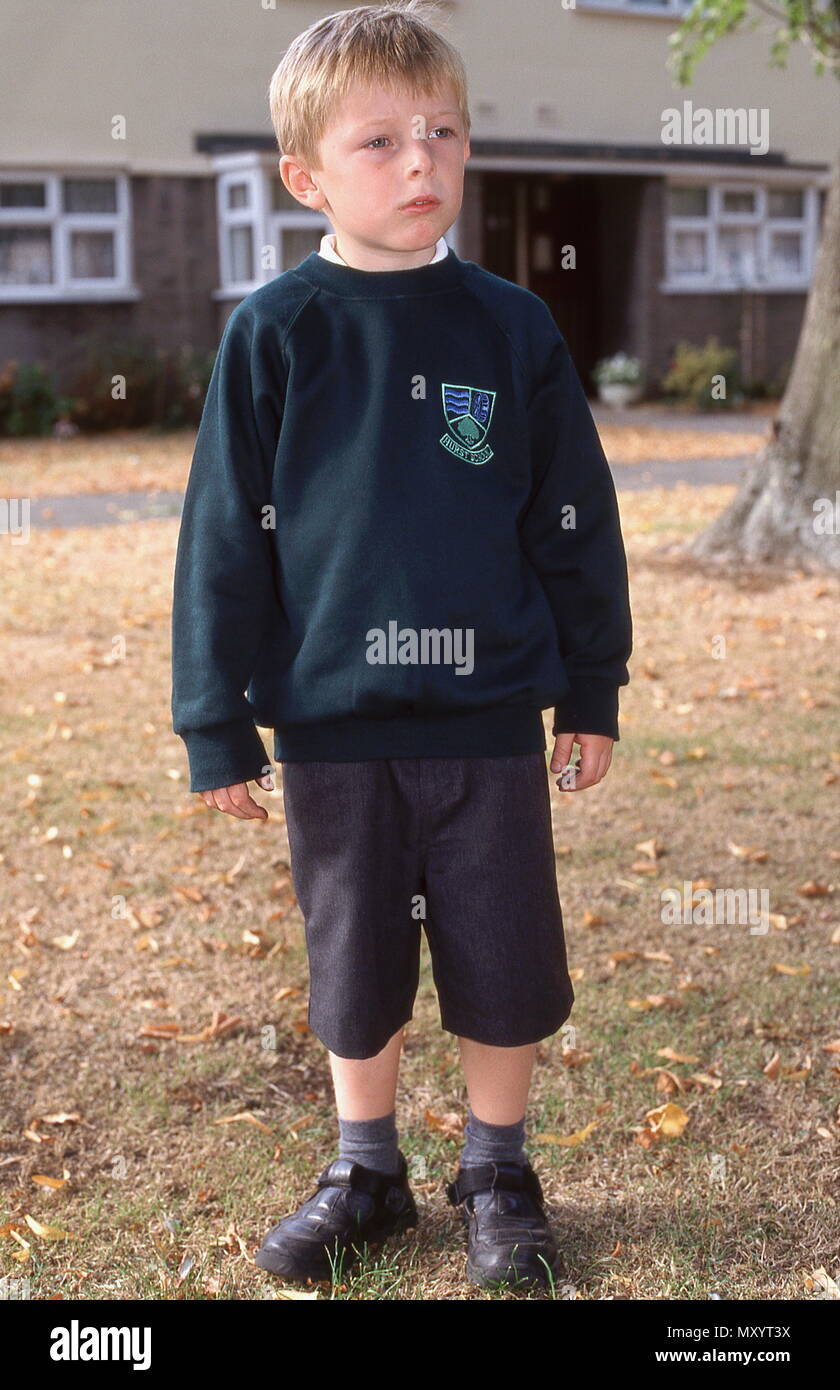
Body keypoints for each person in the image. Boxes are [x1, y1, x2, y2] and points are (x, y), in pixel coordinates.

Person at [170, 0, 633, 1292]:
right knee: (356, 956)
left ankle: (497, 1165)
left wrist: (591, 684)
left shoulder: (511, 329)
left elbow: (574, 522)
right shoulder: (277, 334)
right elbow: (223, 539)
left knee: (504, 955)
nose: (421, 162)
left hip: (487, 723)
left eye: (443, 133)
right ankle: (366, 1168)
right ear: (306, 174)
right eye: (380, 142)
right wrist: (217, 718)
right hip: (334, 727)